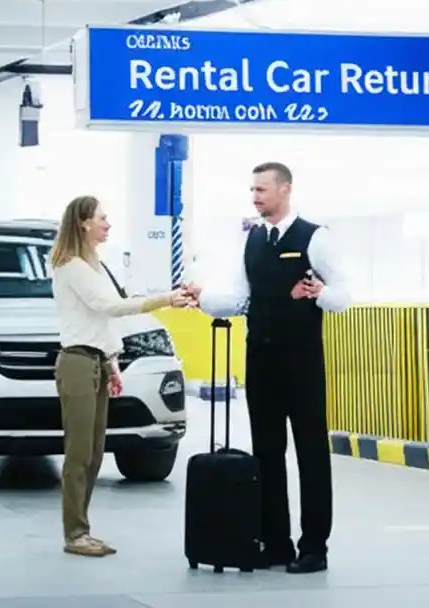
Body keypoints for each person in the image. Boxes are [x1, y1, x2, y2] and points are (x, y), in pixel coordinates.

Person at [184, 161, 352, 574]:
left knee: (311, 452)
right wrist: (203, 298)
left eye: (261, 190)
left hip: (302, 360)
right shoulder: (253, 240)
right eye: (252, 190)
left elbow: (346, 293)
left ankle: (314, 546)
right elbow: (240, 298)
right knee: (267, 453)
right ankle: (275, 542)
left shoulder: (315, 237)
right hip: (260, 358)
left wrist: (322, 292)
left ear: (285, 190)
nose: (255, 197)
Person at [49, 195, 193, 557]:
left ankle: (82, 529)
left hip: (96, 360)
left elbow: (100, 320)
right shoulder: (72, 266)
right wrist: (165, 299)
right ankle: (74, 534)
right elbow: (109, 306)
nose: (108, 223)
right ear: (83, 222)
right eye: (102, 217)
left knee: (96, 452)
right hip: (78, 362)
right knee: (80, 453)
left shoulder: (94, 264)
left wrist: (112, 362)